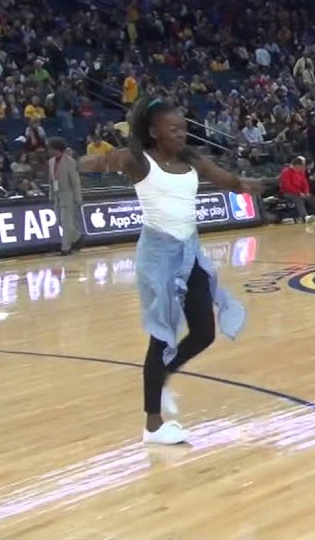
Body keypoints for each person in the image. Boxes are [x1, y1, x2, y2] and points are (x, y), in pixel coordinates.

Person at [78, 96, 261, 445]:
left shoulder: (191, 160)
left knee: (204, 332)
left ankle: (163, 376)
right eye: (173, 128)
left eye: (184, 127)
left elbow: (227, 180)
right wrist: (75, 164)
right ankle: (152, 425)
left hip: (188, 250)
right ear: (153, 132)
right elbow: (102, 162)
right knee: (161, 335)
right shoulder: (138, 161)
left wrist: (249, 185)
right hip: (158, 254)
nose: (181, 133)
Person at [47, 137, 82, 256]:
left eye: (50, 148)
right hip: (57, 195)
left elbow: (75, 181)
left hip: (68, 195)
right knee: (59, 221)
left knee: (67, 223)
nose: (49, 150)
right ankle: (77, 237)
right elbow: (51, 181)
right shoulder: (51, 162)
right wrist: (51, 194)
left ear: (56, 148)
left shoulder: (70, 161)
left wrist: (78, 197)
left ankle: (65, 248)